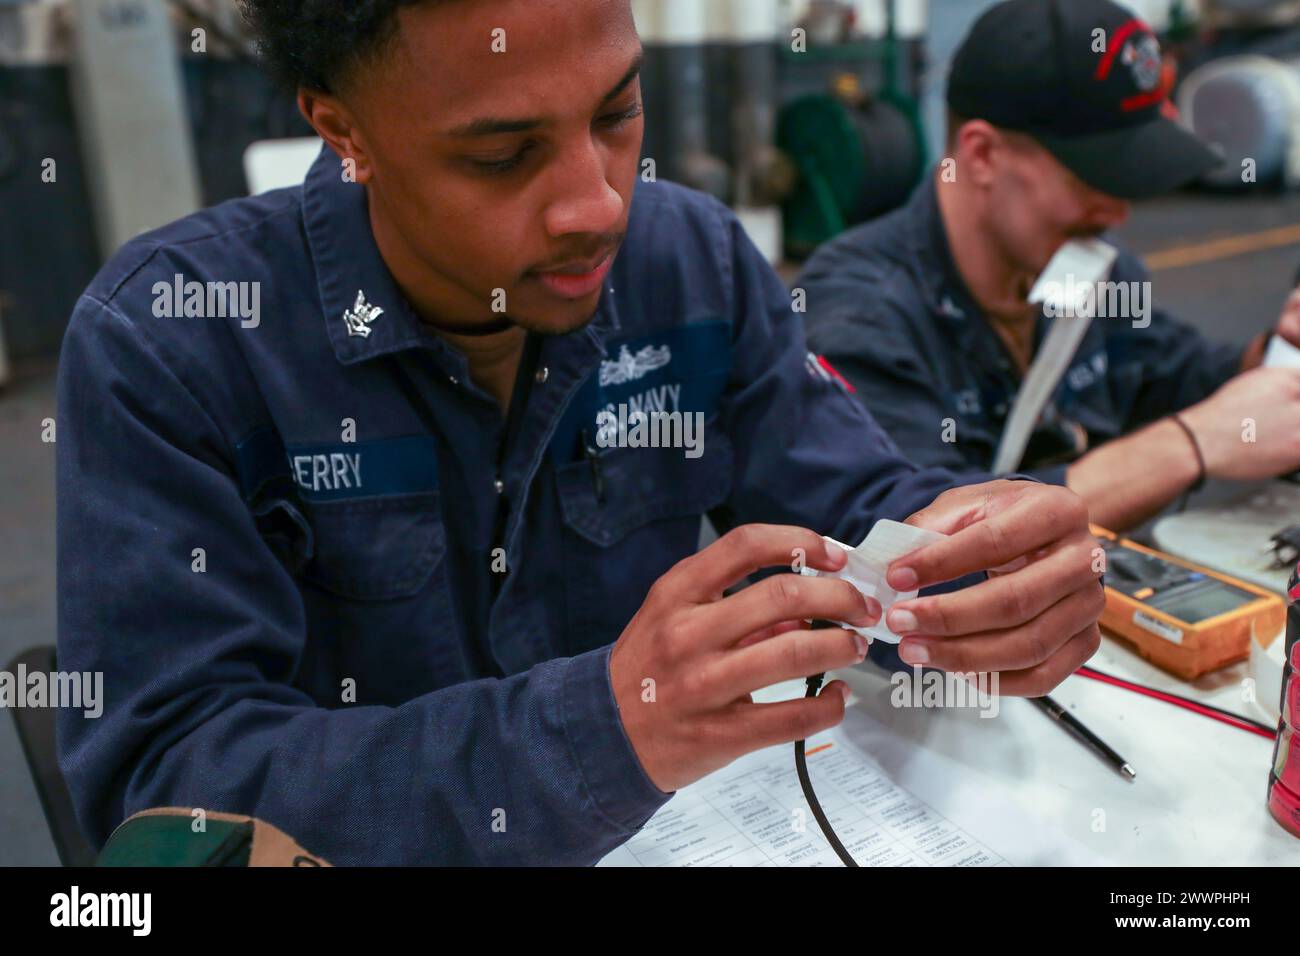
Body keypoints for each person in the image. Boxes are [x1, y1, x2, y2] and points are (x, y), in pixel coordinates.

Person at [56, 0, 1103, 865]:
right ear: (343, 131)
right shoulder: (176, 340)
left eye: (618, 110)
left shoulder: (687, 263)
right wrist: (598, 728)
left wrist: (981, 564)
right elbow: (167, 796)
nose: (596, 205)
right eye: (505, 153)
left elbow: (856, 507)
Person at [799, 0, 1300, 532]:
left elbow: (1183, 375)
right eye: (1095, 176)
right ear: (983, 155)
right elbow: (920, 542)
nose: (1118, 210)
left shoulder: (1089, 274)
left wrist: (1275, 354)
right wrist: (1188, 445)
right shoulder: (857, 318)